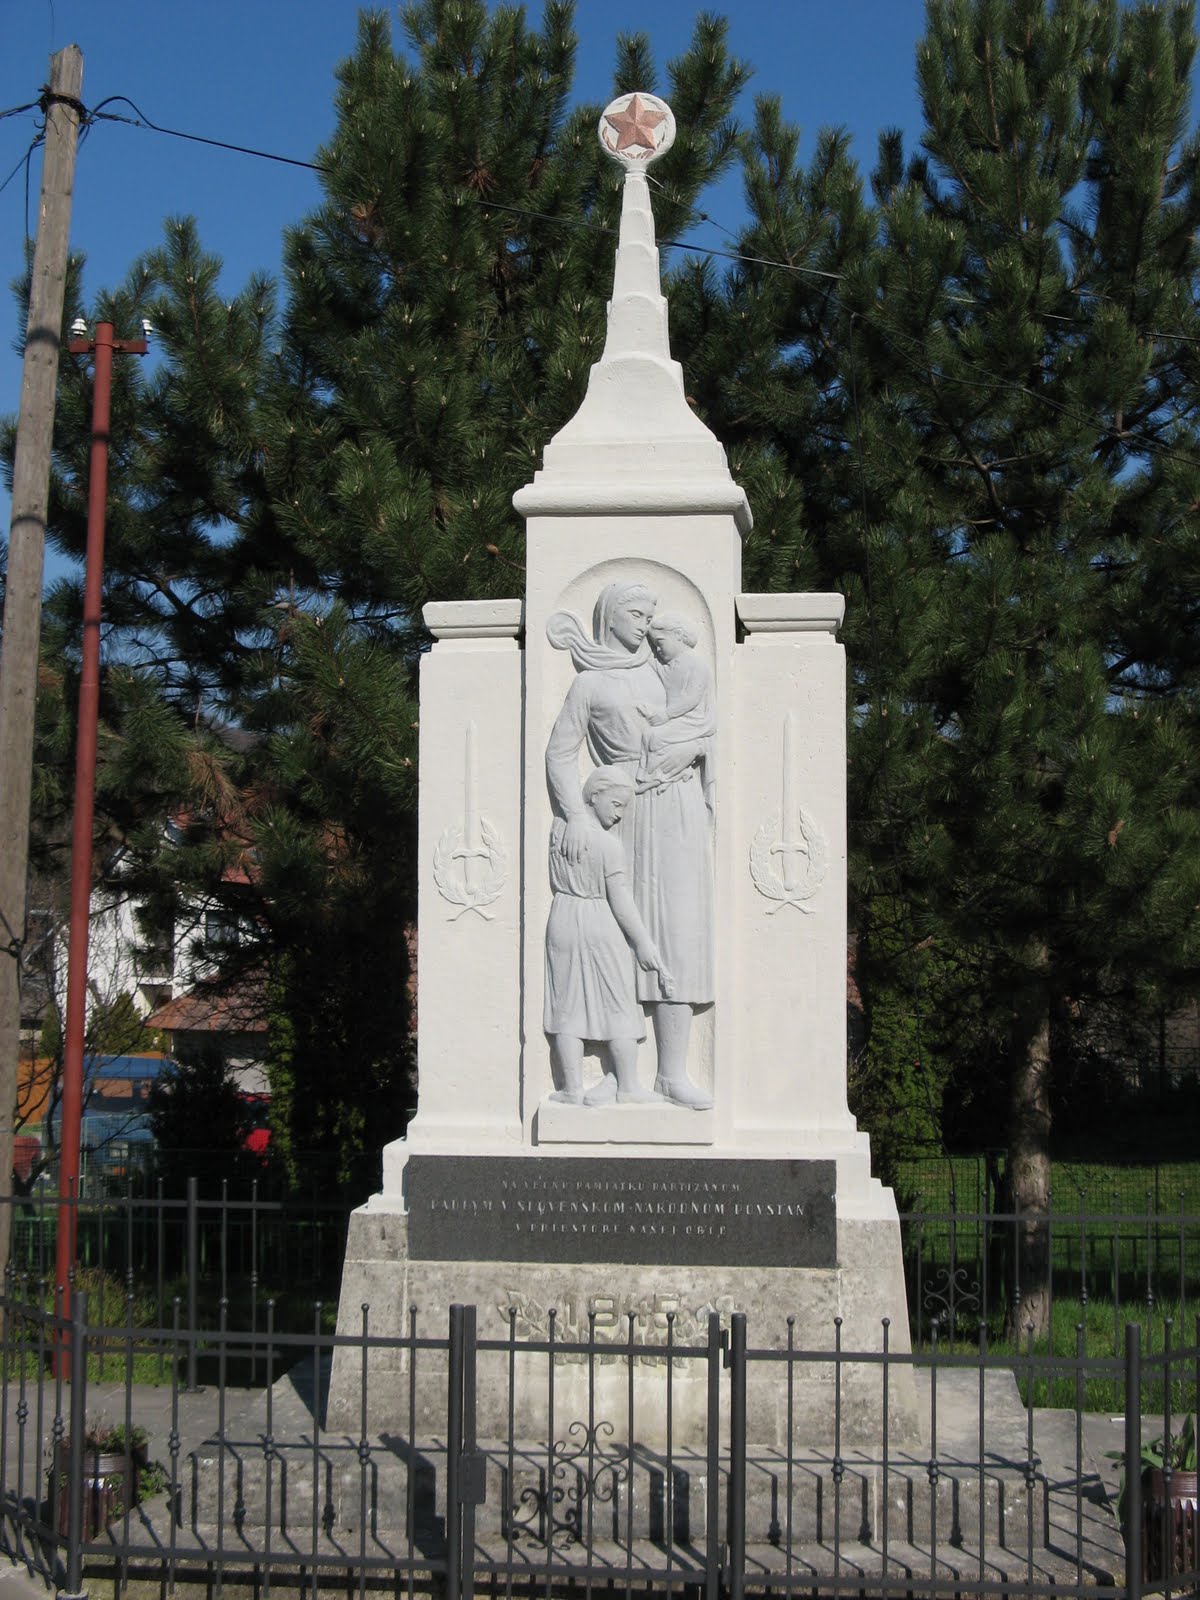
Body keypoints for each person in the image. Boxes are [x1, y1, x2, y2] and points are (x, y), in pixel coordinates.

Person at [545, 579, 715, 1109]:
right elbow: (559, 754)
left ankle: (671, 1073)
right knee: (619, 940)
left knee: (678, 936)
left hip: (679, 810)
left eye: (650, 615)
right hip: (622, 817)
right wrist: (576, 816)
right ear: (610, 617)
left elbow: (705, 723)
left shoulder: (669, 670)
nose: (645, 624)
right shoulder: (591, 684)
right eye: (635, 613)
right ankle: (620, 1074)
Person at [544, 767, 673, 1105]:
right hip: (600, 922)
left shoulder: (558, 830)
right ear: (594, 794)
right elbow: (621, 901)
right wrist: (643, 941)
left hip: (562, 917)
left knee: (566, 1005)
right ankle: (628, 1086)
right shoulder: (607, 845)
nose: (619, 814)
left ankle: (572, 1089)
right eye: (616, 804)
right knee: (618, 1003)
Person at [637, 613, 716, 815]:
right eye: (654, 645)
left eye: (660, 642)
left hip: (694, 721)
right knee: (649, 736)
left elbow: (691, 698)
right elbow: (648, 662)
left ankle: (660, 776)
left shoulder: (696, 666)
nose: (658, 649)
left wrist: (666, 715)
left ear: (679, 636)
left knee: (656, 737)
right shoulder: (668, 665)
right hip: (676, 719)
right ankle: (649, 774)